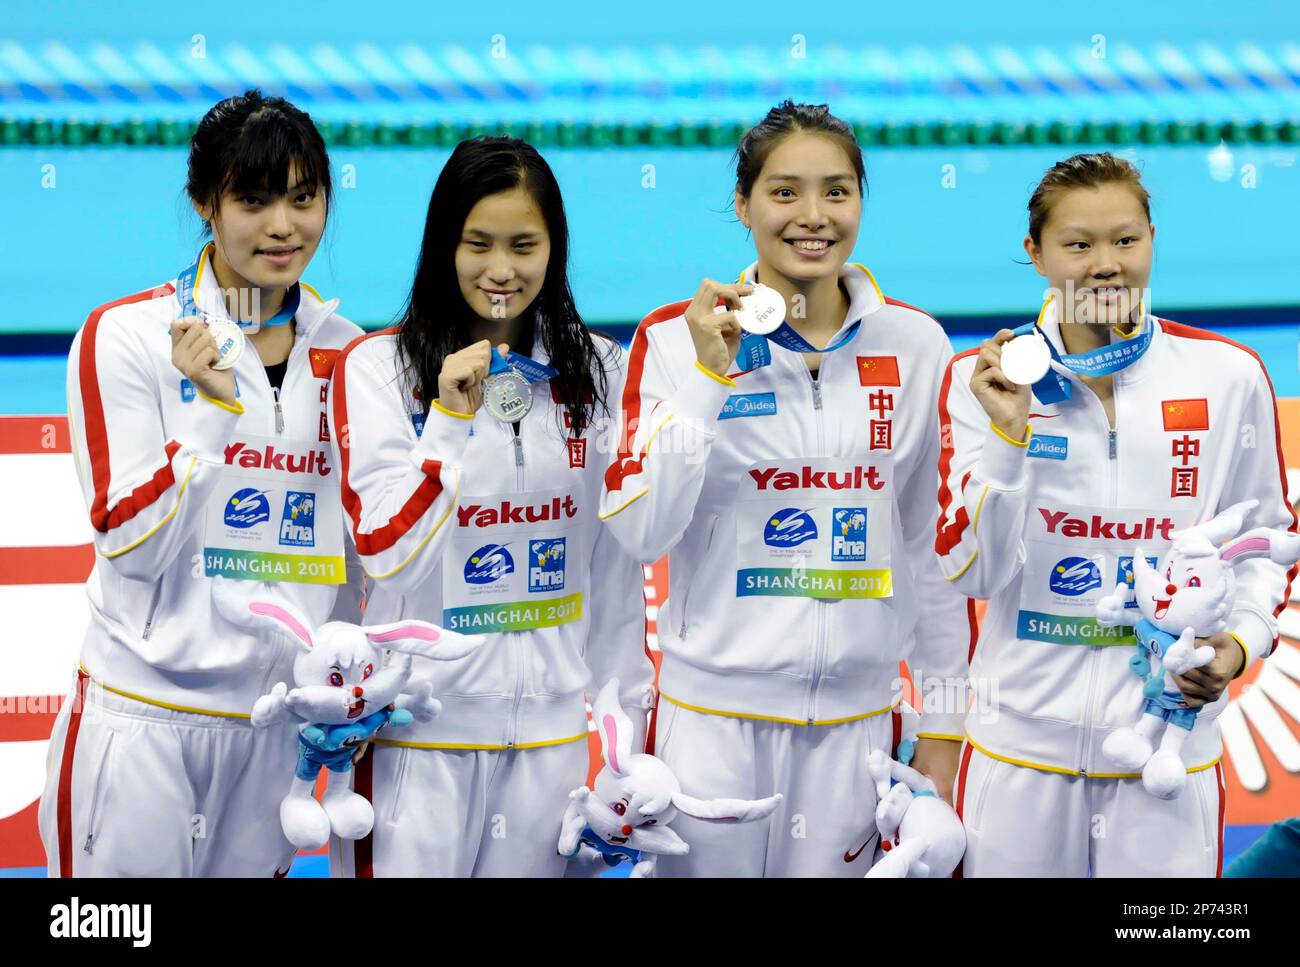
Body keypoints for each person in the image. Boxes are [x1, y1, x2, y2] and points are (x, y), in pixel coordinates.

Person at [599, 100, 972, 877]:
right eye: (784, 192)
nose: (813, 215)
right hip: (713, 726)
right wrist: (709, 376)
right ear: (743, 205)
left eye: (837, 191)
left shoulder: (916, 345)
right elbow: (642, 532)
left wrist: (944, 719)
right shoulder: (673, 339)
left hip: (858, 731)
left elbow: (927, 546)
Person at [936, 151, 1297, 876]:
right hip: (1019, 756)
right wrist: (1008, 438)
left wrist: (1236, 645)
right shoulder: (980, 382)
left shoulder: (1226, 376)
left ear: (1153, 240)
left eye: (1126, 240)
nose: (1106, 264)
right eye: (1079, 244)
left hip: (1167, 756)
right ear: (1036, 253)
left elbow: (1265, 543)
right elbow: (971, 570)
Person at [39, 89, 364, 877]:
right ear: (205, 205)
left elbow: (357, 561)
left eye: (302, 197)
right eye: (253, 200)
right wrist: (209, 416)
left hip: (270, 737)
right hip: (143, 720)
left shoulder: (351, 353)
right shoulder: (129, 336)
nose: (283, 226)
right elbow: (127, 544)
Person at [328, 136, 653, 877]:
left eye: (523, 245)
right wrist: (446, 419)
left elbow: (612, 577)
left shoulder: (601, 372)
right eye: (477, 244)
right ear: (445, 242)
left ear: (553, 249)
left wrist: (624, 747)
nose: (501, 271)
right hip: (417, 744)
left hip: (549, 750)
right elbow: (385, 553)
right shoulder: (379, 369)